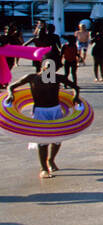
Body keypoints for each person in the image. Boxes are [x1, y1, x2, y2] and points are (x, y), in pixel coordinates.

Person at [7, 48, 81, 178]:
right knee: (42, 140)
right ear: (43, 65)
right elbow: (11, 86)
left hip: (55, 110)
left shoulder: (57, 78)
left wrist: (76, 97)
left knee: (57, 139)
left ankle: (51, 160)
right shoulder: (32, 78)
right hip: (40, 111)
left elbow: (75, 87)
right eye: (47, 66)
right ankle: (44, 168)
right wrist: (10, 95)